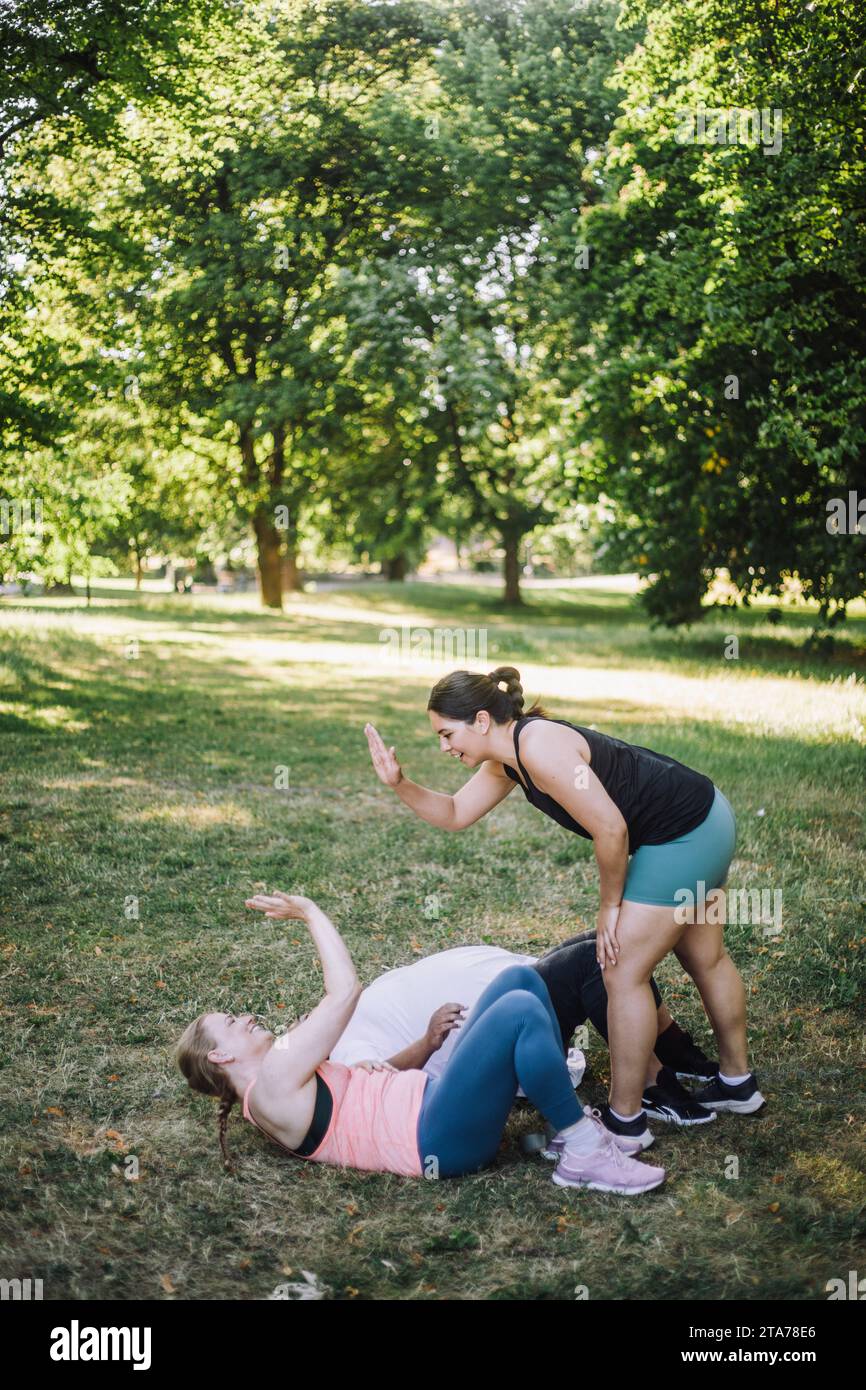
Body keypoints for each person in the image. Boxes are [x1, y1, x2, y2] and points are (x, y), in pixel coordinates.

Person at [364, 665, 765, 1153]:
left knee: (619, 969)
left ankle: (625, 1120)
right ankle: (738, 1085)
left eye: (448, 734)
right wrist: (399, 783)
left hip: (683, 835)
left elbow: (611, 829)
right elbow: (454, 814)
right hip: (706, 816)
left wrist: (609, 907)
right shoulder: (508, 760)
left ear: (483, 719)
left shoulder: (538, 747)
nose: (445, 747)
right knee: (705, 958)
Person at [175, 892, 667, 1196]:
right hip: (436, 1140)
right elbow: (345, 991)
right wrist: (310, 913)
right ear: (220, 1055)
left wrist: (426, 1044)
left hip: (433, 1102)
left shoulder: (282, 1082)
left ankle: (567, 1132)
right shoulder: (271, 1085)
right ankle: (583, 1151)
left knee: (519, 980)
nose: (247, 1018)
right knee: (518, 1012)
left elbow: (364, 1090)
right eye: (232, 1021)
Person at [330, 934, 720, 1130]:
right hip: (512, 1025)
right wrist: (427, 1041)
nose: (300, 1025)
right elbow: (371, 1083)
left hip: (519, 986)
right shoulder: (341, 1052)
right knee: (594, 962)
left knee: (606, 942)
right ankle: (657, 1088)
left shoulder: (346, 1011)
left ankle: (679, 1053)